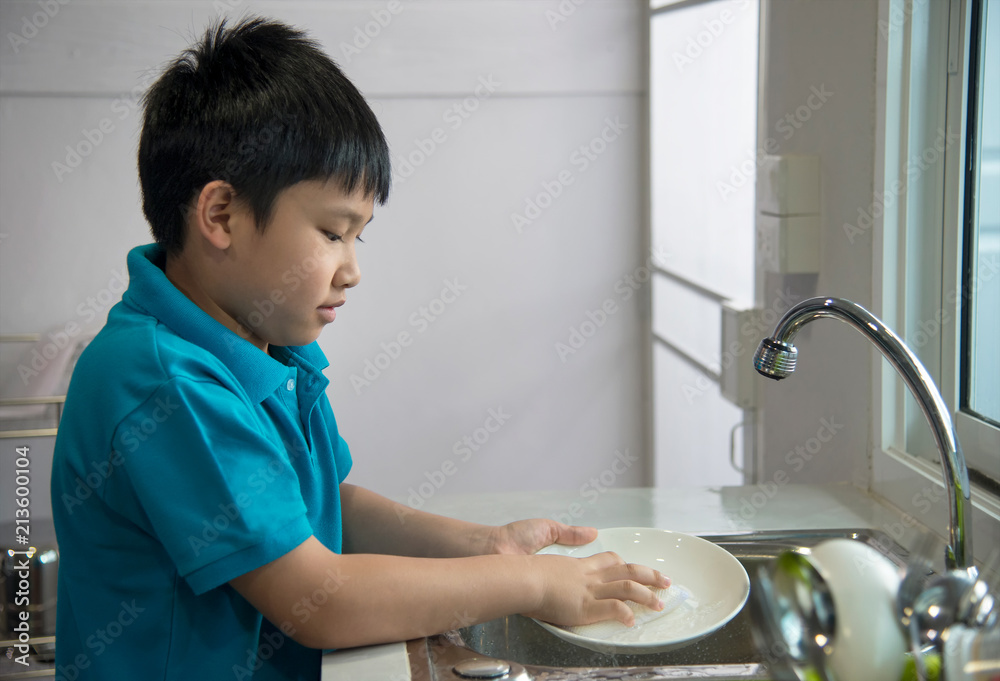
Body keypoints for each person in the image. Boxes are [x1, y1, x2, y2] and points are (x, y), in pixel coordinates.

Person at [50, 17, 668, 680]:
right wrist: (535, 586)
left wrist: (484, 546)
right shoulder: (161, 380)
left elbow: (325, 505)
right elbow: (320, 598)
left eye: (358, 237)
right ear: (221, 215)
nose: (352, 269)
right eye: (332, 231)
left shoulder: (267, 343)